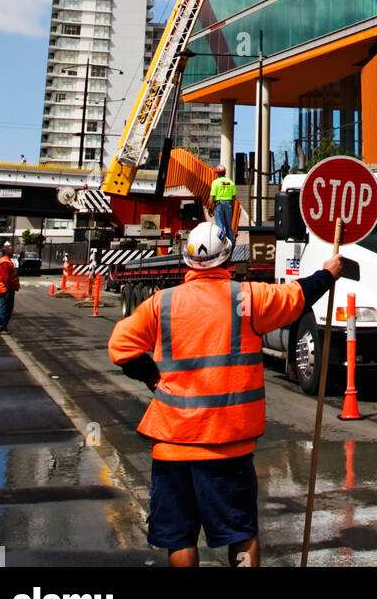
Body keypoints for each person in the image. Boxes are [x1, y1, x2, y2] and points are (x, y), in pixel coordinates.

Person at [107, 221, 342, 568]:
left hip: (173, 444)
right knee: (240, 533)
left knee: (180, 538)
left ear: (187, 262)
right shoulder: (247, 297)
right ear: (228, 260)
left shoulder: (163, 303)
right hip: (226, 445)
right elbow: (297, 296)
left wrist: (151, 377)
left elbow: (120, 347)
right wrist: (328, 273)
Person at [209, 164, 237, 243]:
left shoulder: (215, 182)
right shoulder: (231, 182)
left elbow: (212, 196)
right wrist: (233, 207)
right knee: (228, 224)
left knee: (219, 224)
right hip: (229, 204)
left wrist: (210, 208)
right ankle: (230, 242)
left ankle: (220, 242)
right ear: (224, 173)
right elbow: (233, 198)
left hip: (219, 204)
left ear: (217, 174)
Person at [0, 244, 20, 332]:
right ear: (6, 252)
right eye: (11, 250)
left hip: (8, 289)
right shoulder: (5, 262)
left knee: (7, 309)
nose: (13, 252)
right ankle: (1, 327)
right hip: (6, 289)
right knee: (4, 309)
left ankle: (3, 327)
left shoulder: (7, 261)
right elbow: (5, 278)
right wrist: (10, 288)